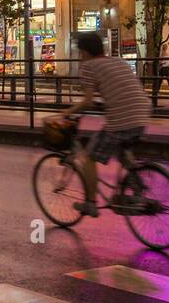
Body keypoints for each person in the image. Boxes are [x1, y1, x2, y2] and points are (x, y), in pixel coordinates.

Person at [54, 32, 152, 216]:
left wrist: (65, 113)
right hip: (143, 113)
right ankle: (139, 191)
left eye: (79, 52)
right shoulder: (118, 61)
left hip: (122, 119)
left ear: (83, 51)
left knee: (89, 157)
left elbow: (88, 101)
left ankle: (90, 203)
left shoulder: (89, 66)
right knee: (124, 152)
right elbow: (121, 89)